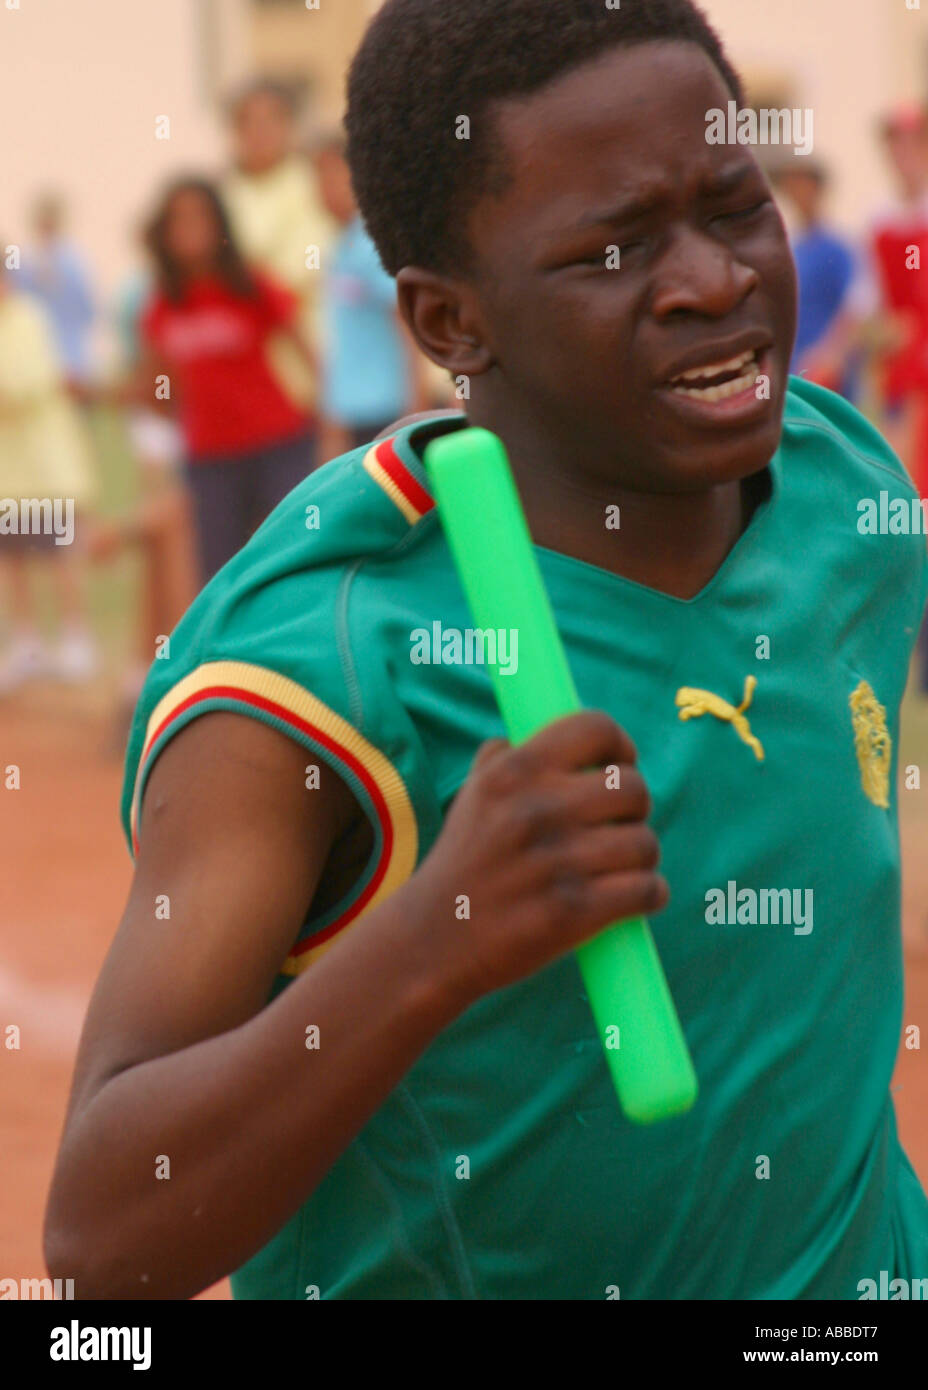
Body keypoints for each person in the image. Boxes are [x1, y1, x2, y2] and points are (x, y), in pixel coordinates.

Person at [46, 0, 927, 1301]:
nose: (713, 277)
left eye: (732, 203)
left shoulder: (844, 487)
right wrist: (438, 935)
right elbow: (104, 1234)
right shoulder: (319, 664)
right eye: (615, 249)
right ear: (451, 323)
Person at [139, 177, 318, 583]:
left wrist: (323, 417)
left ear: (220, 223)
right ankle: (231, 648)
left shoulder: (250, 285)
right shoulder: (163, 305)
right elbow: (156, 390)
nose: (189, 227)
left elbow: (309, 354)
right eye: (178, 219)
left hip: (279, 442)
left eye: (199, 216)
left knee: (293, 553)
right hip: (210, 457)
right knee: (220, 570)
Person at [0, 253, 99, 691]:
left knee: (59, 553)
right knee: (13, 558)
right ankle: (25, 641)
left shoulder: (30, 318)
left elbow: (31, 380)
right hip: (9, 474)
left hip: (44, 468)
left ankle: (77, 639)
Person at [312, 131, 431, 456]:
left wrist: (414, 408)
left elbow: (405, 323)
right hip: (357, 412)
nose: (323, 188)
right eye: (317, 176)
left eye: (333, 174)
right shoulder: (342, 244)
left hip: (389, 409)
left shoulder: (370, 244)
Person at [222, 77, 333, 417]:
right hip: (245, 366)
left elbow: (310, 263)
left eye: (271, 120)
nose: (260, 132)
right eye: (249, 122)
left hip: (317, 352)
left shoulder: (316, 184)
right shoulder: (221, 196)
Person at [773, 161, 860, 399]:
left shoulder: (839, 248)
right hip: (795, 364)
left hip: (828, 370)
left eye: (803, 186)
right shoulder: (791, 248)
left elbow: (854, 307)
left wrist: (831, 354)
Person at [18, 193, 96, 389]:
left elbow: (88, 310)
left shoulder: (73, 262)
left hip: (70, 360)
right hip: (34, 361)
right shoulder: (25, 261)